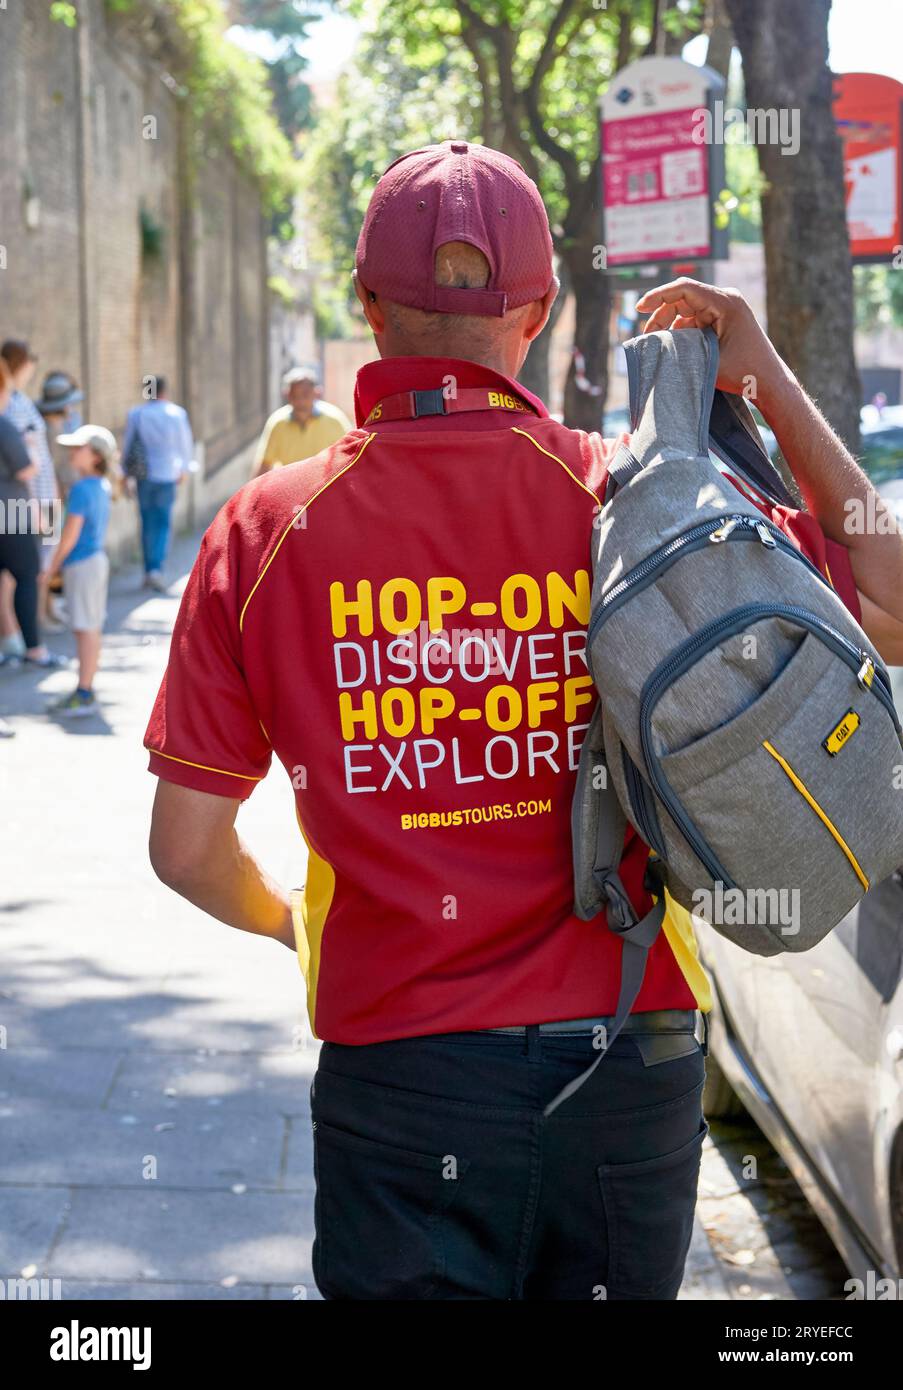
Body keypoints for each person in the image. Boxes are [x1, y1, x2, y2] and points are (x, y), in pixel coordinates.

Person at [145, 141, 903, 1301]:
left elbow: (186, 848)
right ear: (539, 312)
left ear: (365, 303)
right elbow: (889, 598)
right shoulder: (633, 502)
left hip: (399, 1078)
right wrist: (760, 376)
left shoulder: (264, 531)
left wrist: (302, 923)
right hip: (627, 1063)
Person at [44, 425, 115, 717]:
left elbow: (70, 535)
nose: (72, 452)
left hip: (82, 565)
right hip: (95, 562)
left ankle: (84, 693)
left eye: (79, 448)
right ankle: (85, 688)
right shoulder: (101, 485)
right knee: (90, 627)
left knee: (85, 629)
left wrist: (51, 568)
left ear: (96, 456)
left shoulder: (83, 488)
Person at [0, 355, 61, 671]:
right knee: (27, 576)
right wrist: (32, 449)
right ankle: (34, 650)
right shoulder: (5, 426)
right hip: (10, 512)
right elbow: (26, 471)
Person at [122, 376, 193, 591]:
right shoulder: (176, 414)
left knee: (146, 523)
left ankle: (148, 570)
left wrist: (124, 474)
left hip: (144, 476)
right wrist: (185, 469)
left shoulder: (136, 414)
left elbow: (128, 446)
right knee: (163, 523)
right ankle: (157, 570)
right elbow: (185, 444)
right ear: (164, 391)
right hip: (167, 475)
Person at [251, 366, 350, 478]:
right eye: (295, 395)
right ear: (287, 395)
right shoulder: (277, 423)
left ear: (316, 393)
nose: (300, 400)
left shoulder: (335, 419)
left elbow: (348, 458)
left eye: (305, 394)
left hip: (324, 487)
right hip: (289, 488)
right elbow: (265, 464)